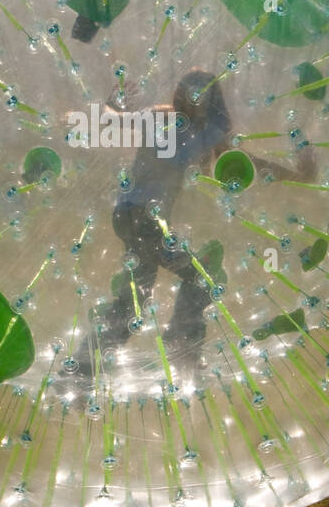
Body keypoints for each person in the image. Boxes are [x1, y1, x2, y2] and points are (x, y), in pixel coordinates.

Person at [72, 68, 315, 385]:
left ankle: (84, 367)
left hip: (144, 218)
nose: (191, 98)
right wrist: (114, 104)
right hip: (137, 214)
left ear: (212, 98)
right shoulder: (162, 118)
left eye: (200, 92)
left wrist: (296, 175)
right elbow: (108, 123)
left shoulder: (209, 133)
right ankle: (181, 343)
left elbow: (244, 163)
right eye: (186, 90)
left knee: (137, 299)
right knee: (201, 278)